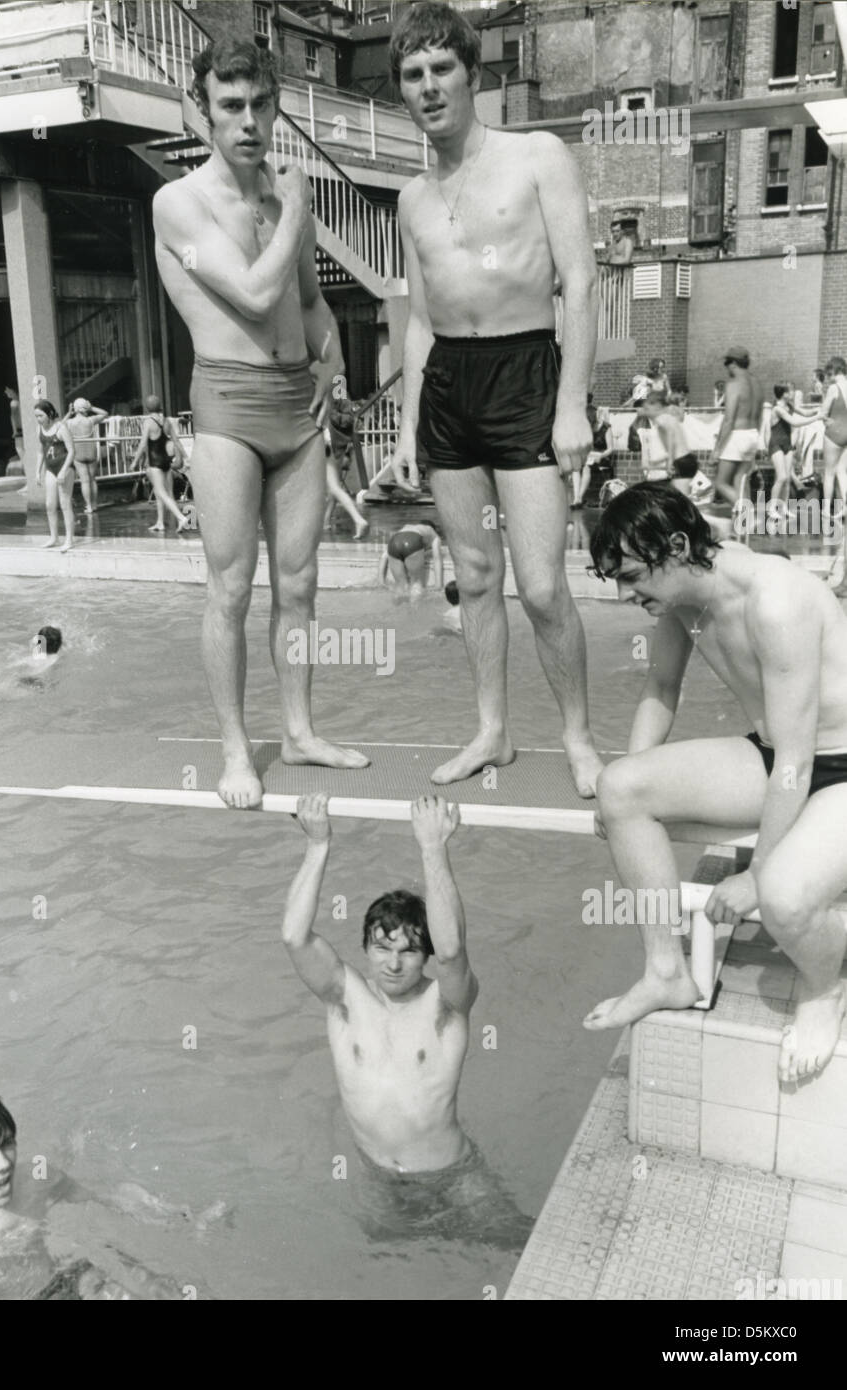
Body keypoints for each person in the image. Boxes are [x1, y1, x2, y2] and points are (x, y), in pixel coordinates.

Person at [388, 1, 602, 796]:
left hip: (524, 376)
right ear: (402, 92)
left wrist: (572, 403)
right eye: (413, 75)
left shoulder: (538, 156)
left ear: (472, 75)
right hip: (449, 385)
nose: (429, 86)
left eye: (442, 69)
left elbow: (579, 281)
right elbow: (419, 318)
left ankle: (579, 737)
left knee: (542, 585)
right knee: (475, 575)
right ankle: (492, 732)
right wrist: (409, 425)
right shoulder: (411, 199)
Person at [152, 37, 368, 809]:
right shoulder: (179, 202)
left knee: (302, 586)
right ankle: (237, 749)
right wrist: (302, 209)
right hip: (229, 408)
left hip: (297, 406)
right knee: (233, 587)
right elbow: (249, 291)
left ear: (277, 106)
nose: (248, 121)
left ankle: (302, 732)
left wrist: (333, 361)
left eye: (260, 105)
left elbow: (306, 300)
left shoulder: (282, 204)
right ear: (203, 110)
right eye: (231, 106)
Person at [585, 483, 847, 1083]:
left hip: (832, 762)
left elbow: (797, 765)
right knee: (621, 787)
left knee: (781, 895)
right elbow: (660, 687)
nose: (627, 594)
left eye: (630, 575)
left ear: (676, 546)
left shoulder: (775, 600)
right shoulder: (682, 600)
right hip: (776, 750)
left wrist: (757, 872)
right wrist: (619, 786)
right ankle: (665, 973)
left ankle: (822, 988)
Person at [282, 793, 531, 1245]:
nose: (393, 964)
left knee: (522, 1251)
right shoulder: (344, 999)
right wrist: (318, 844)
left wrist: (433, 847)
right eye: (382, 948)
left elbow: (453, 951)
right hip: (378, 1177)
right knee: (389, 1270)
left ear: (424, 958)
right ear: (365, 948)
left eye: (408, 951)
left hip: (453, 1175)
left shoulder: (447, 1006)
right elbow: (294, 937)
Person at [0, 1086, 192, 1299]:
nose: (3, 1163)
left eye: (7, 1145)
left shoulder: (34, 1181)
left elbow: (102, 1197)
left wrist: (171, 1215)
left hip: (64, 1282)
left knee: (161, 1291)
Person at [711, 346, 765, 506]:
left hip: (737, 435)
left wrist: (717, 450)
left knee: (720, 483)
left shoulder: (734, 384)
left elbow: (729, 419)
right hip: (753, 434)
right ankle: (743, 525)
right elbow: (760, 415)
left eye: (726, 364)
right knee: (740, 480)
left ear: (732, 363)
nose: (726, 368)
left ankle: (747, 509)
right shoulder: (757, 383)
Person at [131, 394, 192, 534]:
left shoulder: (148, 422)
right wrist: (186, 457)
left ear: (147, 408)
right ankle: (160, 523)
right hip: (166, 460)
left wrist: (135, 461)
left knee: (160, 492)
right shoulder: (166, 421)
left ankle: (181, 517)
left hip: (155, 461)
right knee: (166, 493)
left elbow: (142, 443)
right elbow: (176, 441)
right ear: (160, 406)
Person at [34, 400, 76, 552]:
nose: (38, 419)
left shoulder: (61, 427)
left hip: (65, 468)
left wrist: (64, 470)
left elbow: (71, 451)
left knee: (65, 504)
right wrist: (37, 471)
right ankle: (54, 537)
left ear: (49, 414)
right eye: (36, 416)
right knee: (50, 505)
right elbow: (40, 451)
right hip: (50, 469)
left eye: (40, 416)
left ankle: (69, 539)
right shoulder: (39, 429)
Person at [767, 383, 819, 505]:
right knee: (782, 477)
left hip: (787, 444)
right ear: (784, 394)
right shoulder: (777, 409)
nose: (793, 393)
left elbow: (806, 413)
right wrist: (817, 418)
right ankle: (772, 507)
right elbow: (794, 422)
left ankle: (784, 507)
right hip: (776, 444)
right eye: (790, 391)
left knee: (788, 479)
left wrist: (817, 410)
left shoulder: (789, 405)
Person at [324, 398, 369, 538]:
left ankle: (356, 519)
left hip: (324, 444)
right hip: (330, 445)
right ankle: (326, 521)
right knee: (334, 488)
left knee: (334, 488)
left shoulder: (330, 398)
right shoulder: (334, 401)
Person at [640, 391, 699, 496]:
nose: (646, 413)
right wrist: (656, 462)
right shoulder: (668, 417)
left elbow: (671, 437)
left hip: (681, 461)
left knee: (681, 500)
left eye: (647, 409)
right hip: (687, 459)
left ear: (657, 406)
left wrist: (669, 462)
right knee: (676, 497)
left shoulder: (660, 419)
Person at [64, 398, 108, 514]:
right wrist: (92, 407)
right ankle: (94, 504)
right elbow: (105, 413)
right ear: (85, 408)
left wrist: (69, 413)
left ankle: (88, 506)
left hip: (78, 452)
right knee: (92, 479)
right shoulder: (90, 420)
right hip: (91, 451)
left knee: (84, 480)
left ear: (75, 408)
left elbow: (60, 425)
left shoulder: (70, 422)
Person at [379, 520, 442, 599]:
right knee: (416, 584)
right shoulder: (432, 532)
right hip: (412, 541)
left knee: (400, 586)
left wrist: (381, 581)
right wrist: (438, 585)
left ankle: (398, 609)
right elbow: (437, 558)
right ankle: (415, 610)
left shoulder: (405, 528)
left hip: (394, 541)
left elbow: (384, 556)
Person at [571, 395, 612, 508]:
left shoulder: (605, 428)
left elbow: (610, 449)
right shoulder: (585, 429)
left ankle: (579, 497)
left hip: (601, 456)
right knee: (576, 467)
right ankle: (576, 498)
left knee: (586, 467)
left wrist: (601, 455)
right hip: (588, 455)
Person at [818, 355, 847, 520]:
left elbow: (823, 412)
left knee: (829, 473)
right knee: (842, 472)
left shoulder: (834, 388)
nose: (829, 376)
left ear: (835, 370)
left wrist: (827, 421)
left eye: (830, 372)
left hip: (835, 433)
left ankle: (826, 510)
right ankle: (845, 507)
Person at [4, 387, 23, 463]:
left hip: (18, 430)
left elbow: (13, 417)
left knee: (19, 449)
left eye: (7, 390)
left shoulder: (14, 402)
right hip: (23, 428)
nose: (6, 392)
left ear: (13, 390)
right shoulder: (21, 401)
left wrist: (15, 431)